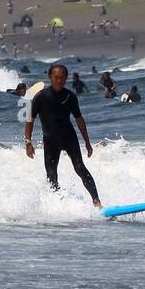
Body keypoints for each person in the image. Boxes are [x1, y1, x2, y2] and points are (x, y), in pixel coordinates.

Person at [24, 63, 101, 207]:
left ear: (66, 78)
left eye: (62, 77)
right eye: (56, 77)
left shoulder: (70, 96)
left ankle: (96, 201)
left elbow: (79, 119)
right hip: (50, 140)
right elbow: (29, 121)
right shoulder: (40, 97)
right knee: (51, 175)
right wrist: (28, 143)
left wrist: (87, 142)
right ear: (50, 77)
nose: (59, 80)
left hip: (68, 138)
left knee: (80, 168)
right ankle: (57, 204)